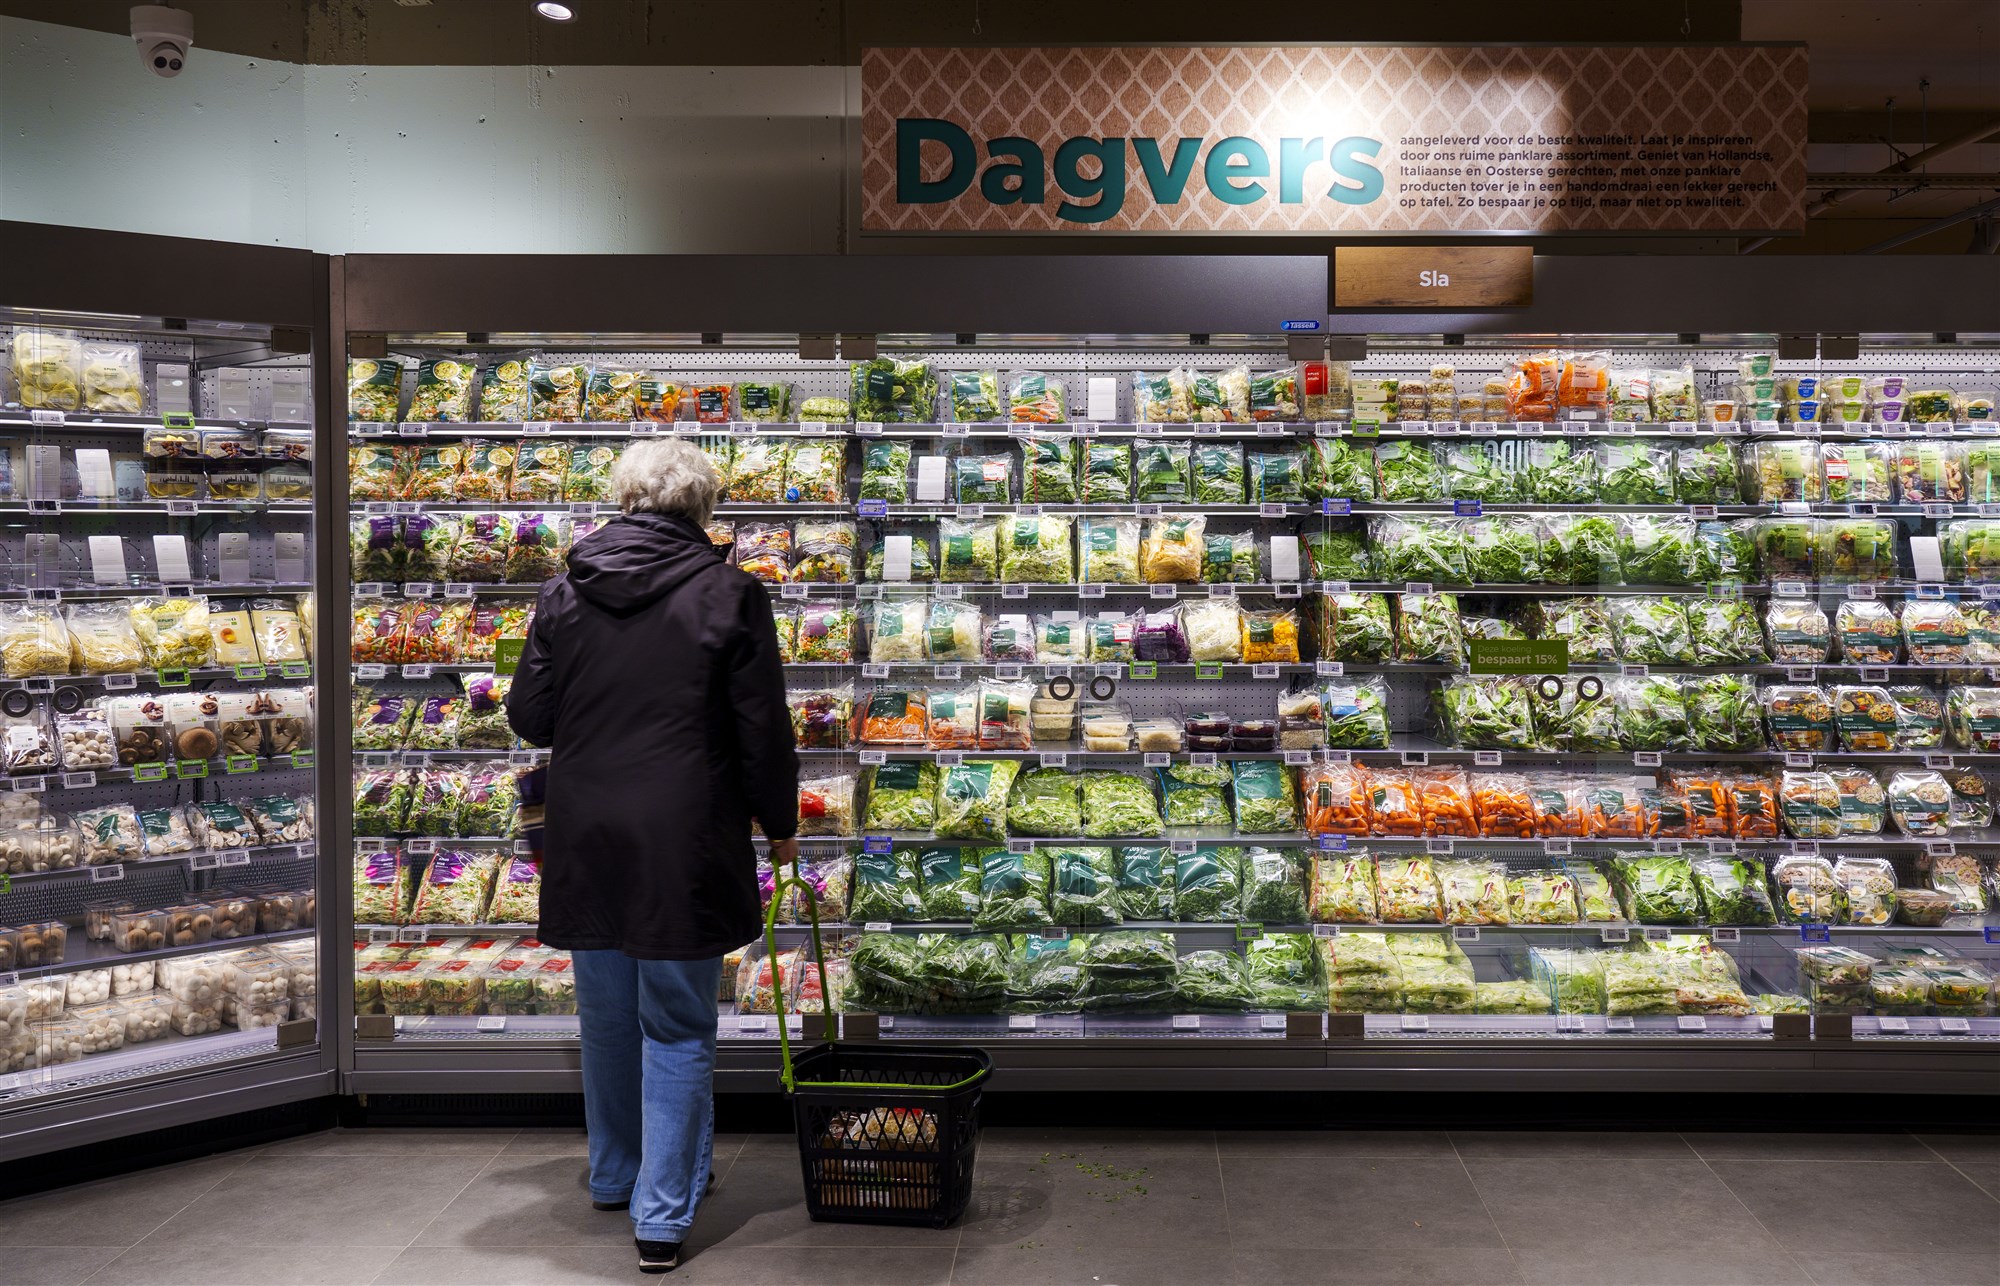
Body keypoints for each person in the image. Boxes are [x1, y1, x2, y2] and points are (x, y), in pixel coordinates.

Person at [506, 438, 798, 1274]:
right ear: (703, 507)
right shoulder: (731, 593)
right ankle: (661, 1218)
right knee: (676, 1022)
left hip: (586, 830)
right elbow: (761, 729)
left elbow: (530, 715)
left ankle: (614, 1176)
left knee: (605, 1019)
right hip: (684, 835)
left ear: (626, 499)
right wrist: (780, 822)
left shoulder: (564, 590)